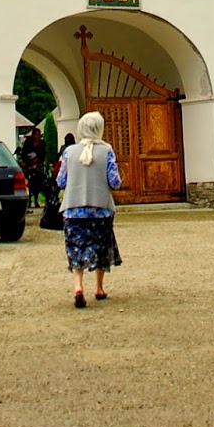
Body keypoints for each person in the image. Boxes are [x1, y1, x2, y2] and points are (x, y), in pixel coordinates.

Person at [54, 112, 122, 308]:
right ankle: (99, 288)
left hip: (73, 210)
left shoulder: (69, 152)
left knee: (76, 248)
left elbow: (60, 181)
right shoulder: (107, 151)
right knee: (101, 247)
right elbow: (115, 182)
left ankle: (78, 287)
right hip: (100, 210)